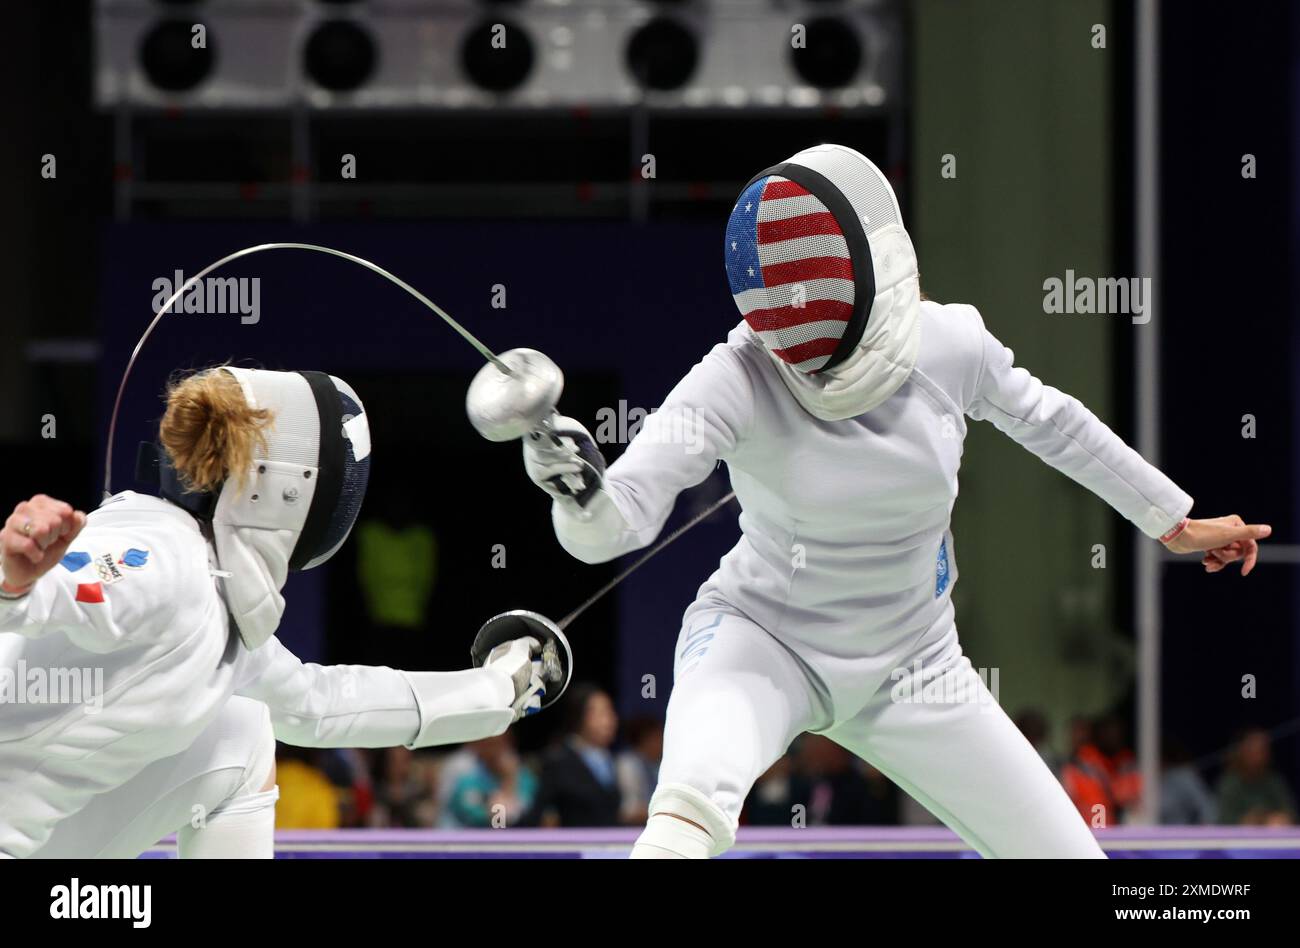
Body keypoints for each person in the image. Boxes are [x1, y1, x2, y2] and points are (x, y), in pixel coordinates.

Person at [519, 144, 1271, 858]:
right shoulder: (734, 377)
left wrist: (1170, 518)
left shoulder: (948, 344)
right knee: (685, 819)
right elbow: (614, 525)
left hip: (916, 660)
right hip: (763, 642)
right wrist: (579, 493)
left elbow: (1053, 422)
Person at [0, 365, 555, 858]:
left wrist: (501, 689)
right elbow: (77, 585)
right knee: (241, 732)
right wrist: (18, 580)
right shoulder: (161, 560)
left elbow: (320, 703)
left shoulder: (217, 597)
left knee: (242, 732)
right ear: (282, 488)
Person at [529, 684, 621, 827]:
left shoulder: (610, 760)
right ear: (579, 716)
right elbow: (538, 815)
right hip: (574, 846)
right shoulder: (557, 761)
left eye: (610, 712)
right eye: (601, 713)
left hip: (609, 847)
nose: (609, 721)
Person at [1216, 729, 1296, 826]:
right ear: (1242, 751)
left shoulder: (1273, 781)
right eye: (1253, 750)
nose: (1259, 756)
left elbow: (1290, 812)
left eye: (1262, 750)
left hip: (1271, 831)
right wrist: (1247, 820)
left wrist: (1271, 818)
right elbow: (1222, 819)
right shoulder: (1230, 783)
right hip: (1240, 835)